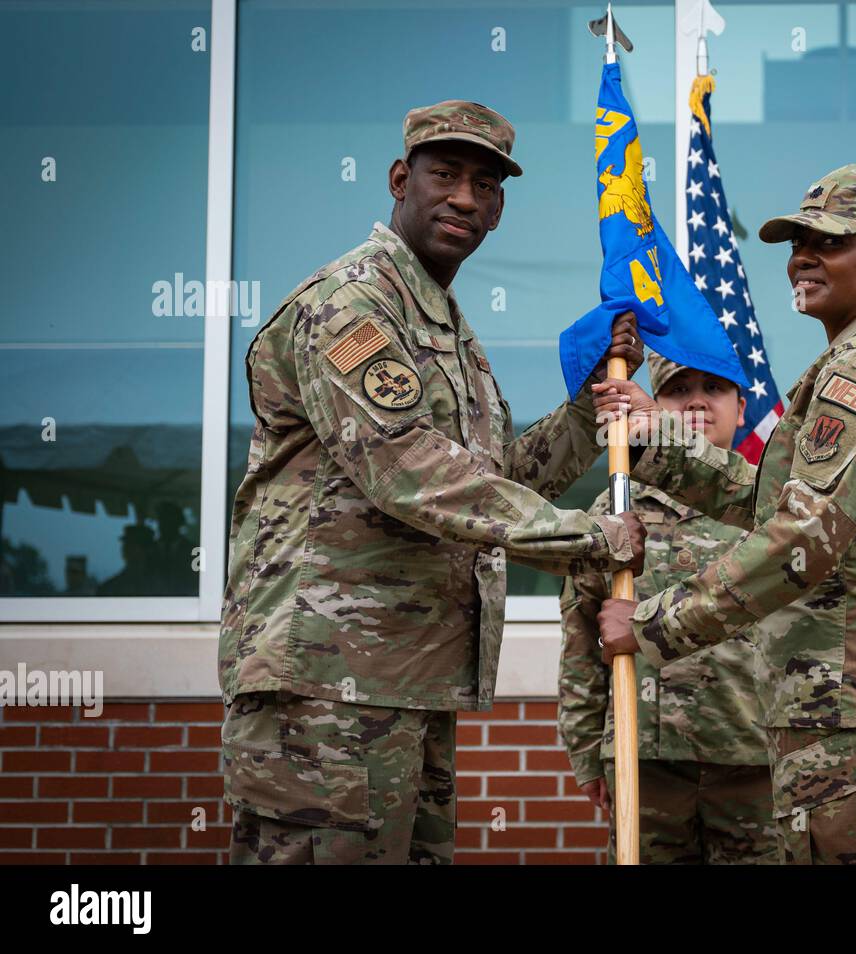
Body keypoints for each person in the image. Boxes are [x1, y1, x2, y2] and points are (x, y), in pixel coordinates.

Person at [219, 100, 646, 865]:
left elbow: (492, 478)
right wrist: (589, 538)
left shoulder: (443, 325)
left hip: (406, 683)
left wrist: (588, 411)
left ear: (500, 209)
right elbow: (408, 470)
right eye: (444, 174)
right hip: (327, 688)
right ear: (398, 179)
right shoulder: (350, 303)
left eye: (485, 185)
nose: (464, 198)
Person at [592, 165, 856, 865]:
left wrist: (653, 623)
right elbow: (774, 504)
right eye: (798, 240)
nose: (802, 256)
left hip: (853, 696)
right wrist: (658, 440)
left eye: (828, 241)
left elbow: (801, 540)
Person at [559, 352, 779, 864]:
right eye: (679, 390)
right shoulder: (616, 509)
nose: (698, 400)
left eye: (714, 389)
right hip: (646, 758)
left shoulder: (772, 509)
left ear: (741, 407)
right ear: (653, 407)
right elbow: (580, 636)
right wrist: (587, 749)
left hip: (752, 754)